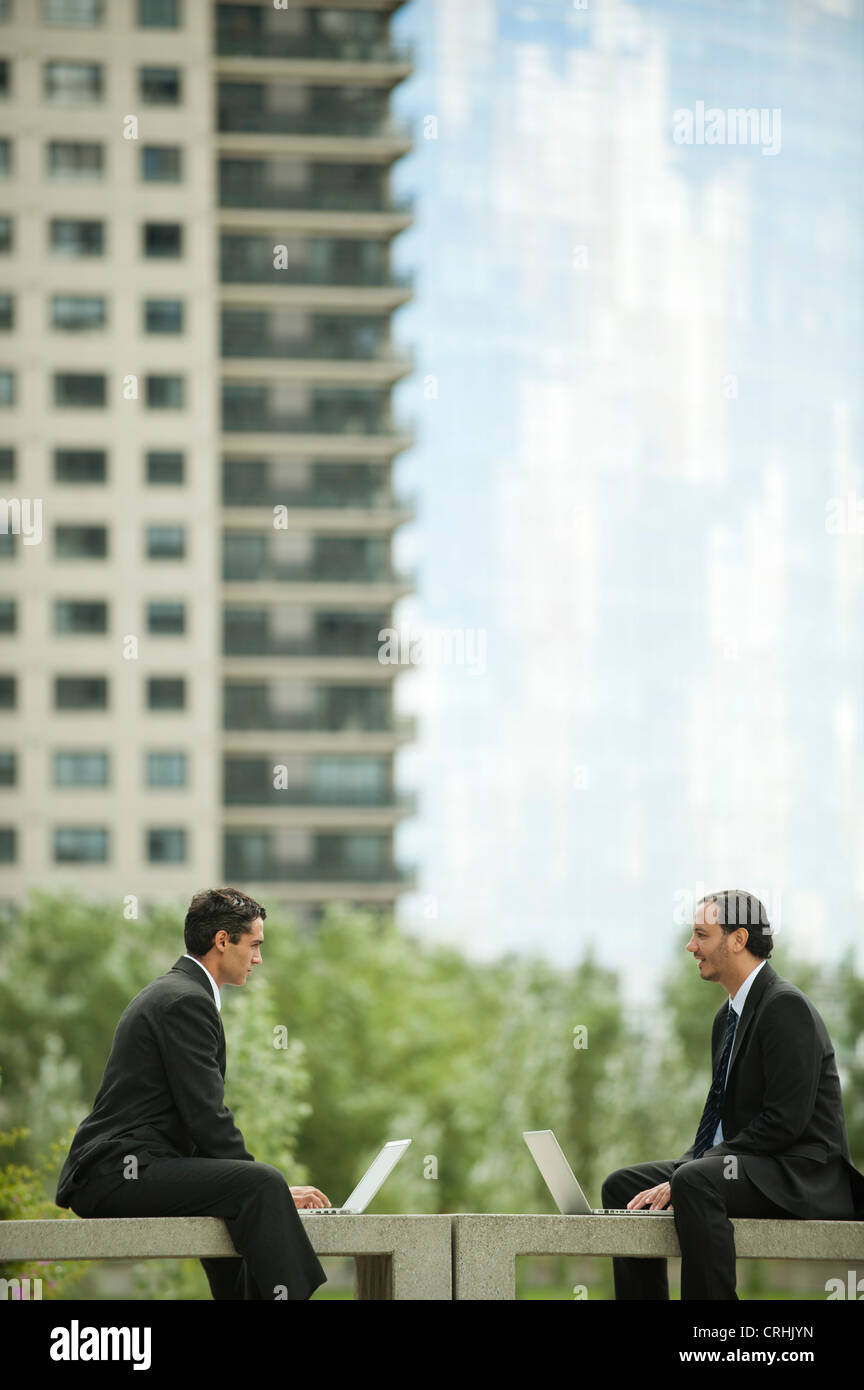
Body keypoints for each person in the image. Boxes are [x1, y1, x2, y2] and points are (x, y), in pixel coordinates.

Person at [55, 887, 329, 1300]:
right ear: (222, 941)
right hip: (117, 1172)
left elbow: (194, 1125)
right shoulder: (185, 1000)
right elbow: (206, 1115)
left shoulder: (179, 994)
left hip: (125, 1169)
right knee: (261, 1185)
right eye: (254, 945)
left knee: (254, 1191)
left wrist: (259, 1189)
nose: (258, 958)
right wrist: (262, 1187)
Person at [601, 889, 864, 1300]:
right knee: (622, 1188)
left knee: (693, 1181)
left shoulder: (785, 1007)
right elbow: (718, 1121)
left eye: (701, 935)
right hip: (746, 1165)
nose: (691, 947)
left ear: (738, 939)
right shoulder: (726, 1017)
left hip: (800, 1173)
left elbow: (784, 1123)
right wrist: (689, 1164)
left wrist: (690, 1171)